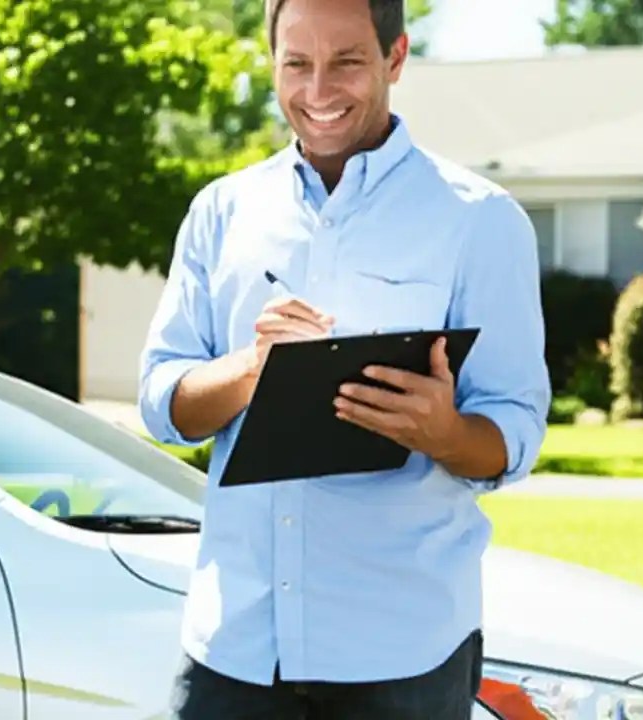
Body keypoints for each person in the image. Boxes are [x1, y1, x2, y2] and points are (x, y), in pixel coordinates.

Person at [138, 0, 552, 717]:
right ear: (272, 63)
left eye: (347, 61)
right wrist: (249, 370)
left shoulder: (480, 222)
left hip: (402, 657)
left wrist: (445, 434)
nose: (318, 91)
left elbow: (514, 430)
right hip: (234, 647)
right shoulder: (221, 213)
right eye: (296, 64)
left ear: (395, 56)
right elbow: (161, 403)